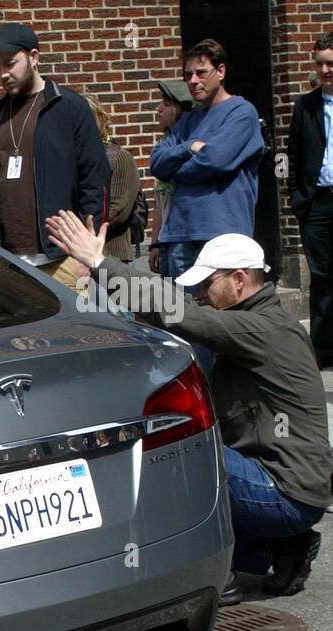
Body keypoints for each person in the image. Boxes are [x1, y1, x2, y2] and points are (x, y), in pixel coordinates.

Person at [46, 211, 332, 604]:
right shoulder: (250, 321)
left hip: (285, 492)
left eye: (207, 283)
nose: (200, 293)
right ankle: (283, 547)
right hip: (279, 480)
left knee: (182, 458)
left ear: (239, 279)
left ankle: (220, 573)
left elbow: (183, 315)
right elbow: (176, 307)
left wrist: (101, 264)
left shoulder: (266, 329)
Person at [0, 22, 110, 293]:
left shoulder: (69, 109)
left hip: (62, 259)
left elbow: (95, 180)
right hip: (5, 264)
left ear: (34, 57)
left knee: (70, 335)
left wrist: (87, 251)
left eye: (11, 63)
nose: (4, 74)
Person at [150, 39, 263, 288]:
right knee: (179, 319)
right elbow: (157, 163)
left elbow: (213, 161)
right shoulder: (188, 121)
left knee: (217, 320)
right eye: (188, 74)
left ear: (221, 71)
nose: (193, 80)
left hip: (220, 235)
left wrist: (176, 170)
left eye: (201, 72)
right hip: (179, 234)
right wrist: (189, 147)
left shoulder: (241, 113)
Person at [285, 32, 333, 367]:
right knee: (323, 276)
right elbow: (293, 155)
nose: (326, 69)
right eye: (320, 63)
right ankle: (323, 348)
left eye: (331, 62)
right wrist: (300, 199)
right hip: (317, 203)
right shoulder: (306, 106)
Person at [83, 93, 139, 263]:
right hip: (80, 257)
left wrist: (79, 229)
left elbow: (118, 210)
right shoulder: (75, 159)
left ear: (100, 119)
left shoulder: (119, 157)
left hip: (112, 256)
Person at [148, 78, 195, 275]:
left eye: (166, 104)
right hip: (168, 238)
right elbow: (161, 198)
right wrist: (155, 242)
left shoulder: (190, 145)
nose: (158, 109)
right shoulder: (164, 145)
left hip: (187, 237)